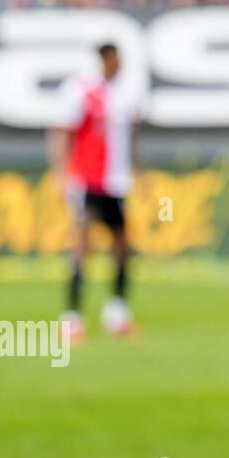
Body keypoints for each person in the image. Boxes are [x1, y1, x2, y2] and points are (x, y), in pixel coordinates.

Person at [51, 43, 143, 341]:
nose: (119, 65)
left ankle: (116, 316)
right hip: (86, 181)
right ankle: (72, 320)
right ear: (104, 60)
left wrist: (140, 172)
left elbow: (132, 138)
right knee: (81, 246)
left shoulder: (125, 94)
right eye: (115, 59)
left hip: (116, 182)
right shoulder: (79, 90)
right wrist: (59, 173)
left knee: (123, 248)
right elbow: (62, 132)